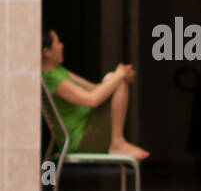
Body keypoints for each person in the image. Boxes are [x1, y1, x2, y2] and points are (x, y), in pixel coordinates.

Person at [40, 30, 149, 161]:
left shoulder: (58, 71)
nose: (62, 46)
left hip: (88, 126)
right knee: (117, 81)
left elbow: (93, 89)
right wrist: (119, 76)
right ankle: (117, 143)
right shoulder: (50, 78)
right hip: (81, 139)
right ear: (47, 52)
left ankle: (118, 143)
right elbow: (92, 100)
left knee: (113, 78)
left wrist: (117, 76)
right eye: (58, 43)